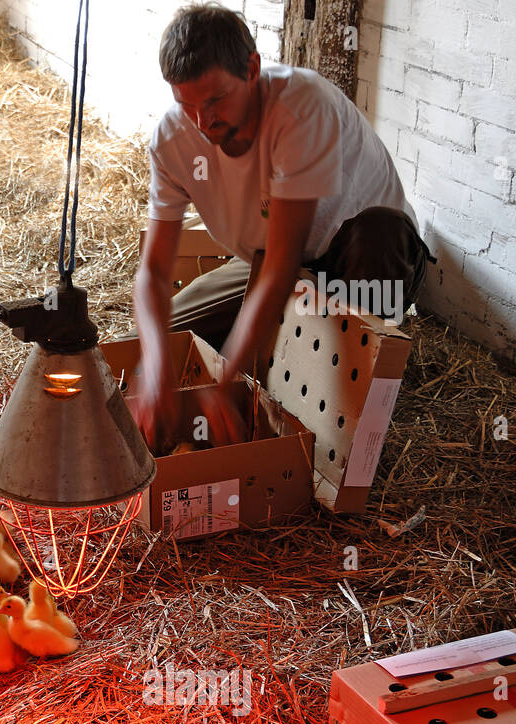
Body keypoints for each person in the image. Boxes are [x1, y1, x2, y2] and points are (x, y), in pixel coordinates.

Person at [131, 2, 430, 453]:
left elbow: (285, 263)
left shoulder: (300, 106)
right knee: (166, 342)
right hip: (269, 261)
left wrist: (226, 378)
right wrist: (154, 366)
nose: (202, 122)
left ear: (252, 69)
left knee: (336, 371)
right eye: (186, 104)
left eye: (215, 100)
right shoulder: (174, 140)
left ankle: (365, 394)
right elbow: (152, 272)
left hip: (359, 257)